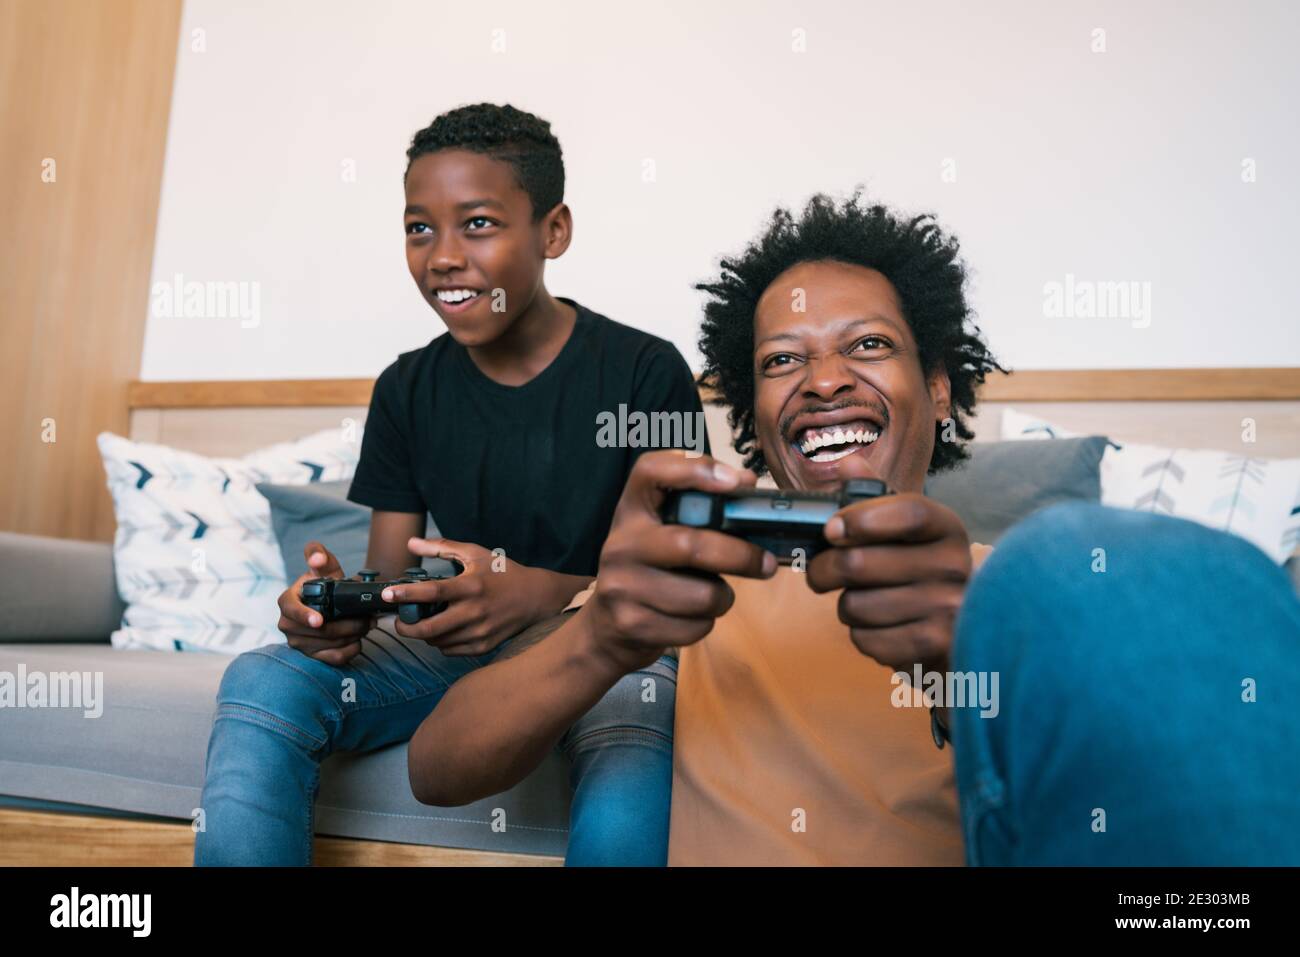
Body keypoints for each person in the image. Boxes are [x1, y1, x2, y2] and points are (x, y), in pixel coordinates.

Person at [409, 191, 1300, 865]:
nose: (825, 379)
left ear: (940, 386)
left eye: (867, 345)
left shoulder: (1022, 591)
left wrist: (972, 664)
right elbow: (438, 770)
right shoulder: (691, 579)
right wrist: (600, 634)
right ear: (755, 416)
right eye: (782, 360)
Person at [195, 103, 704, 866]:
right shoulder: (406, 387)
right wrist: (340, 613)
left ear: (553, 231)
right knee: (262, 679)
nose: (442, 257)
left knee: (633, 724)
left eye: (478, 224)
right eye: (419, 228)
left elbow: (681, 574)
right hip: (451, 645)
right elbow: (392, 573)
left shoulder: (642, 371)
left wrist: (532, 591)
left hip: (603, 640)